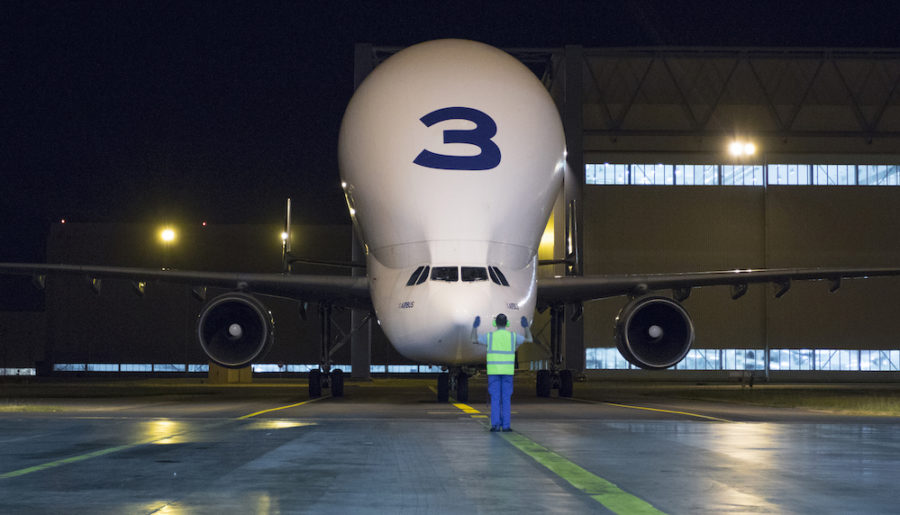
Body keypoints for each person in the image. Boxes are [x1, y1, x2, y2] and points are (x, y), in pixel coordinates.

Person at [471, 313, 532, 432]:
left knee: (495, 399)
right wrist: (525, 327)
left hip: (494, 372)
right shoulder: (513, 336)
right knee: (506, 399)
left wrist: (475, 327)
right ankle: (506, 426)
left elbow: (473, 339)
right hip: (508, 372)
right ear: (507, 323)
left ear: (495, 323)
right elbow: (529, 339)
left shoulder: (490, 337)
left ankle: (495, 425)